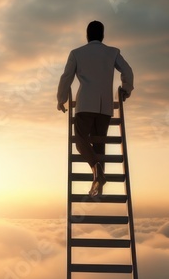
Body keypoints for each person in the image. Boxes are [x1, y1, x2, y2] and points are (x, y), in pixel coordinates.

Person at [56, 21, 134, 196]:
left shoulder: (76, 53)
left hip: (85, 105)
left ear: (87, 35)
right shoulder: (112, 52)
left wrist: (61, 99)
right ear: (103, 35)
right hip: (105, 107)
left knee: (80, 140)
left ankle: (95, 168)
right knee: (99, 144)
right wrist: (126, 89)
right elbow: (127, 71)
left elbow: (66, 77)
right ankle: (98, 183)